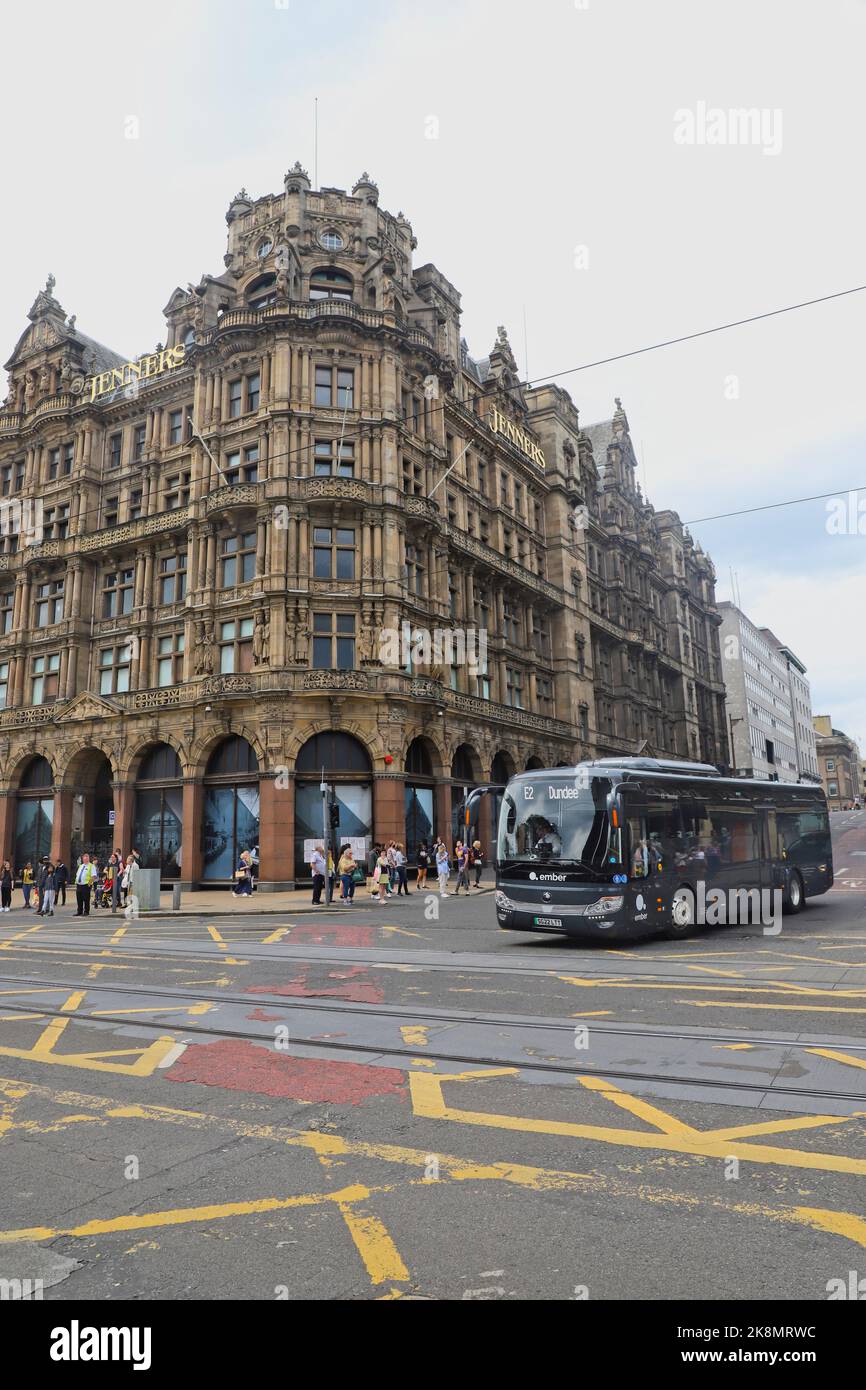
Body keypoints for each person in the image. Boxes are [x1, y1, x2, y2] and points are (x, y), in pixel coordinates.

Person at [123, 854, 141, 920]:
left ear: (130, 860)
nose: (126, 860)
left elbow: (137, 875)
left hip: (133, 882)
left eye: (127, 859)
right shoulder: (129, 866)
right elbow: (127, 873)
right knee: (130, 896)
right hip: (129, 882)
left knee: (133, 896)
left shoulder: (135, 866)